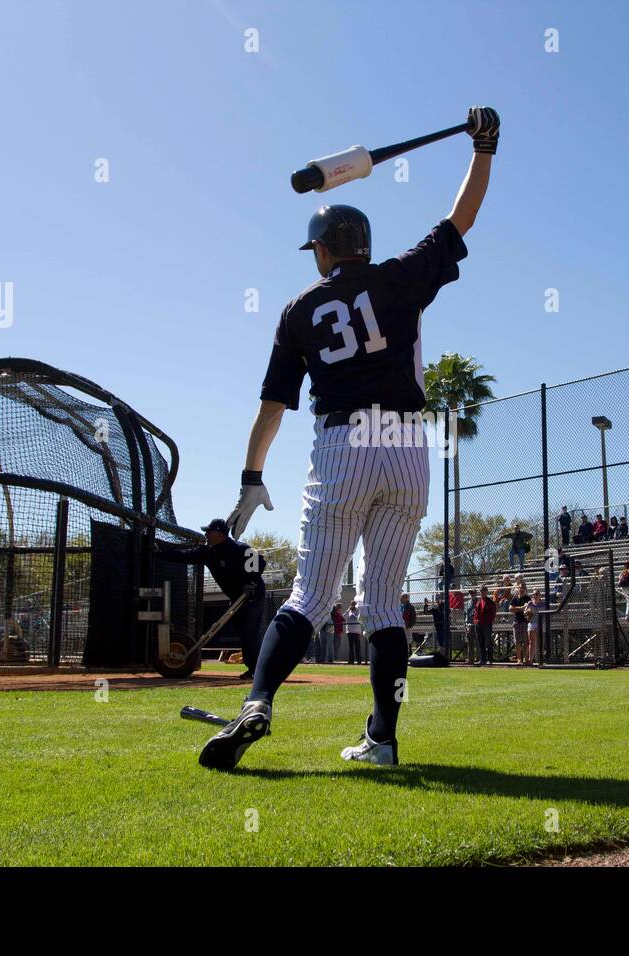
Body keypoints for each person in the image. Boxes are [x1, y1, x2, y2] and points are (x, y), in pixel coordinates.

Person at [198, 106, 499, 771]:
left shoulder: (299, 310)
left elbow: (272, 409)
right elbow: (462, 219)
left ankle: (256, 704)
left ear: (324, 250)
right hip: (406, 443)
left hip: (341, 447)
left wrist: (252, 477)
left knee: (310, 597)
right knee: (382, 605)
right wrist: (484, 148)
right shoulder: (400, 278)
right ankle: (383, 740)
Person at [162, 517, 267, 680]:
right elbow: (185, 556)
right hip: (237, 597)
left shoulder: (239, 549)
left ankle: (257, 670)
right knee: (242, 631)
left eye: (208, 531)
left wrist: (250, 583)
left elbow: (259, 562)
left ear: (219, 533)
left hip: (252, 597)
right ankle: (255, 667)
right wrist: (160, 553)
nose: (206, 534)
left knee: (249, 632)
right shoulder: (208, 552)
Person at [473, 584, 497, 665]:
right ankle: (483, 659)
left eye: (483, 590)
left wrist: (489, 621)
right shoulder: (478, 601)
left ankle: (490, 659)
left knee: (488, 642)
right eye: (481, 591)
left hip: (486, 624)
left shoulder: (490, 602)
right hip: (478, 624)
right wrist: (475, 621)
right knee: (481, 642)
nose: (482, 592)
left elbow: (493, 613)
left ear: (486, 592)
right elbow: (476, 613)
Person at [509, 581, 531, 665]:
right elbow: (510, 609)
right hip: (516, 622)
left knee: (526, 641)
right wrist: (521, 608)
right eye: (520, 587)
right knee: (517, 641)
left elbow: (528, 609)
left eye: (523, 587)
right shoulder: (515, 598)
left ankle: (525, 658)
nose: (521, 589)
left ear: (525, 589)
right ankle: (519, 659)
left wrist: (517, 609)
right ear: (518, 588)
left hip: (525, 622)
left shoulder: (528, 598)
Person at [526, 589, 545, 664]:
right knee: (531, 642)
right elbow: (525, 612)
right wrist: (528, 612)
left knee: (540, 642)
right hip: (532, 623)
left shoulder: (543, 604)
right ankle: (530, 660)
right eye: (534, 595)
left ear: (540, 595)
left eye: (536, 594)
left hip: (540, 623)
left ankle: (541, 659)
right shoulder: (530, 603)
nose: (535, 596)